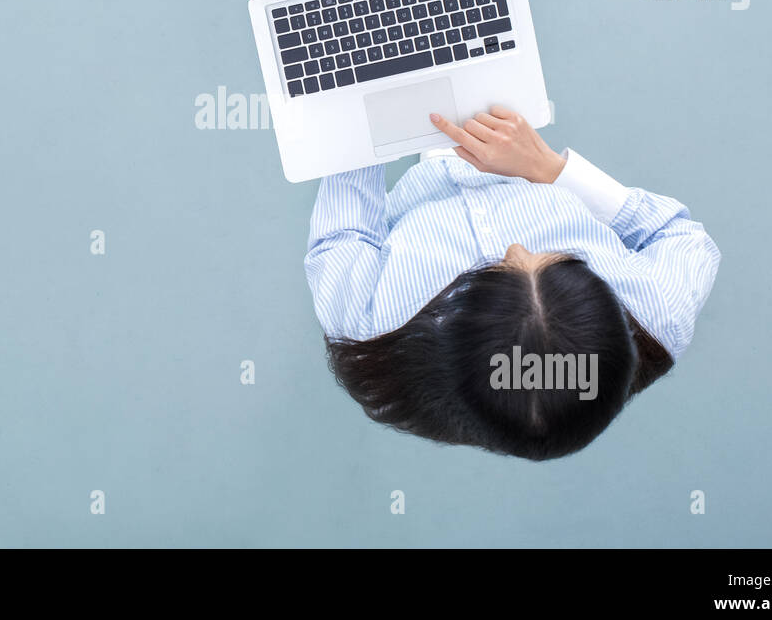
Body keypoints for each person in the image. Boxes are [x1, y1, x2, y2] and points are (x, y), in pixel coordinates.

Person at [305, 107, 721, 460]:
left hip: (412, 146)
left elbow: (344, 235)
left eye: (493, 271)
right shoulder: (655, 317)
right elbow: (673, 234)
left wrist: (359, 113)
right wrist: (547, 168)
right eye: (563, 259)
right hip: (514, 136)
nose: (518, 248)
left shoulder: (367, 329)